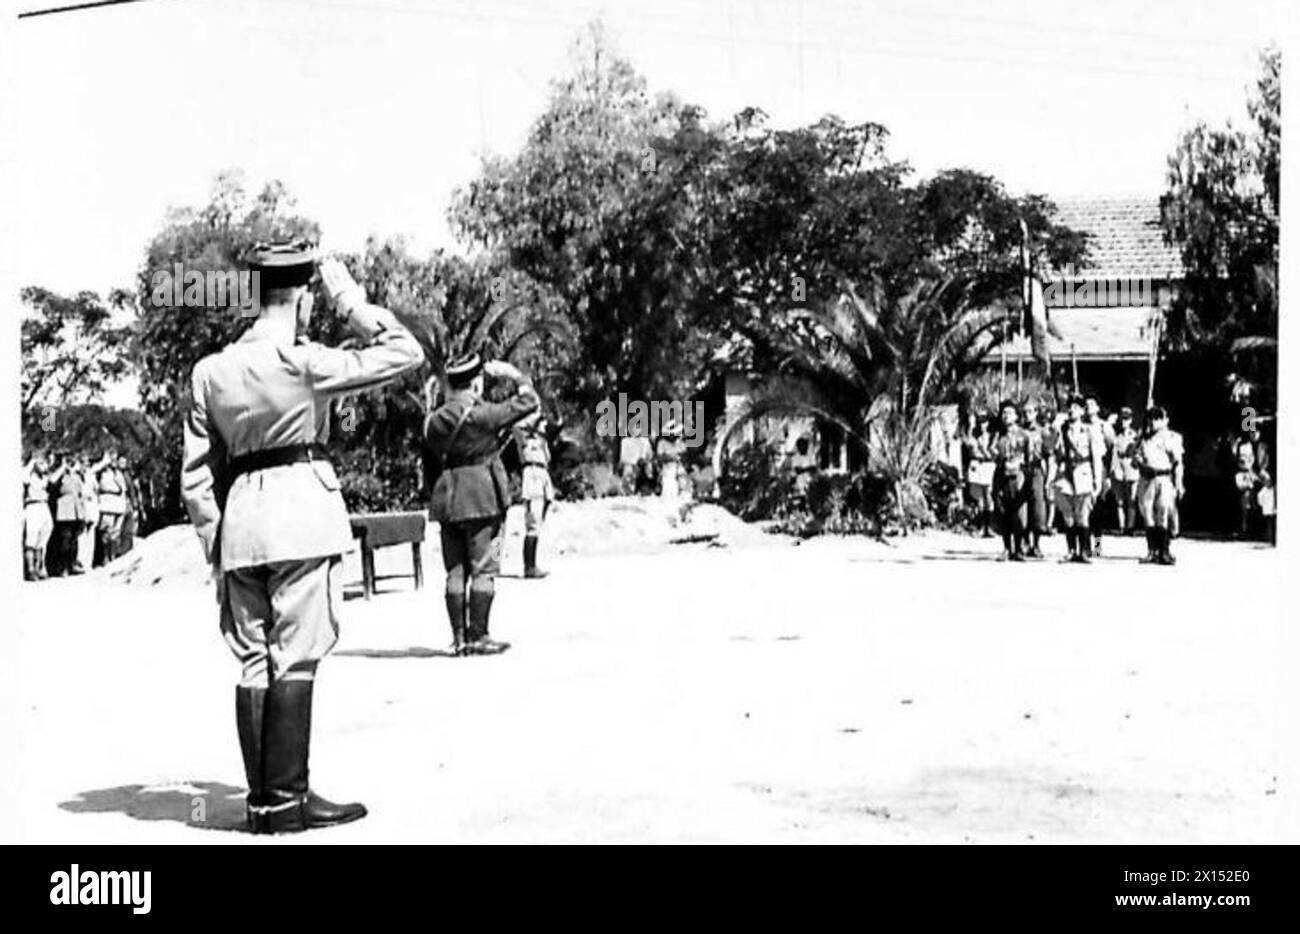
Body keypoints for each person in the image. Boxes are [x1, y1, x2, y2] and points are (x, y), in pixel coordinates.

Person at [181, 241, 423, 834]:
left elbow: (195, 475)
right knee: (297, 657)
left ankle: (262, 803)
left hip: (240, 521)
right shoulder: (305, 359)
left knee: (253, 662)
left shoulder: (210, 371)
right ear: (303, 296)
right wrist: (352, 301)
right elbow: (405, 351)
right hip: (301, 514)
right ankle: (289, 800)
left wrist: (217, 542)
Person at [426, 353, 540, 656]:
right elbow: (529, 403)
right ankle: (479, 635)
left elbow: (429, 461)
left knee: (455, 571)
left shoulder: (433, 422)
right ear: (476, 383)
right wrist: (516, 375)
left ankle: (459, 639)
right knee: (483, 568)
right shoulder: (484, 415)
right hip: (482, 499)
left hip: (448, 500)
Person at [1053, 395, 1106, 563]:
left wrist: (1103, 478)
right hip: (1070, 474)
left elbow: (1106, 452)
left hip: (1091, 473)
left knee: (1096, 516)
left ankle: (1096, 549)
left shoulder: (1102, 427)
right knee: (1072, 515)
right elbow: (1057, 453)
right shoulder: (1063, 429)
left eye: (1077, 407)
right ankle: (1074, 550)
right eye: (1070, 407)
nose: (1071, 410)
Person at [1134, 406, 1184, 565]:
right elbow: (1135, 458)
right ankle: (1152, 550)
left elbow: (1178, 463)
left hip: (1164, 477)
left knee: (1163, 512)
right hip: (1147, 478)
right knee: (1148, 514)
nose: (1154, 422)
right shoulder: (1143, 437)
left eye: (1157, 418)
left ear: (1164, 420)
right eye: (1151, 418)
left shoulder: (1171, 438)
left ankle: (1164, 550)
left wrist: (1179, 483)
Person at [515, 412, 553, 578]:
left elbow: (557, 423)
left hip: (543, 474)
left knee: (539, 520)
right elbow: (516, 427)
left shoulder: (542, 441)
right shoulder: (524, 440)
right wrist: (534, 421)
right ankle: (529, 567)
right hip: (532, 474)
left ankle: (532, 564)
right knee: (532, 523)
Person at [991, 399, 1031, 561]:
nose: (1006, 416)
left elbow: (1030, 457)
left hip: (1018, 475)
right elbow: (991, 450)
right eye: (1004, 413)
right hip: (1002, 474)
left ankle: (1094, 549)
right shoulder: (998, 435)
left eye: (1010, 413)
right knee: (1003, 512)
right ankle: (1007, 548)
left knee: (1020, 514)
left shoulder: (1024, 435)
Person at [1020, 399, 1052, 558]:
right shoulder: (1019, 431)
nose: (1027, 415)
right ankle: (1025, 542)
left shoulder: (1043, 431)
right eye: (1024, 412)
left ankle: (1094, 549)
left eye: (1030, 412)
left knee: (1095, 515)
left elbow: (1049, 454)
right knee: (1023, 506)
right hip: (1022, 469)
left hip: (1037, 469)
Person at [1084, 397, 1115, 555]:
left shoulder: (1104, 427)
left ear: (1097, 408)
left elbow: (1111, 450)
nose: (1088, 407)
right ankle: (1084, 545)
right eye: (1086, 405)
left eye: (1091, 404)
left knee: (1097, 510)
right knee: (1084, 509)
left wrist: (1109, 475)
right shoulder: (1081, 425)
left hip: (1100, 469)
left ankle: (1097, 545)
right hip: (1083, 469)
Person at [48, 455, 85, 577]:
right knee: (64, 539)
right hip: (64, 509)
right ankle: (62, 567)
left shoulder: (76, 474)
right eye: (69, 460)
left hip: (77, 509)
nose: (71, 463)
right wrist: (63, 467)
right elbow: (52, 480)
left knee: (74, 539)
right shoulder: (59, 473)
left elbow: (81, 490)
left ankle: (72, 564)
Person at [1231, 427, 1271, 539]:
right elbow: (1240, 462)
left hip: (1261, 477)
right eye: (1252, 432)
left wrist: (1261, 475)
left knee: (1264, 498)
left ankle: (1263, 530)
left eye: (1256, 432)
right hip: (1247, 475)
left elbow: (1266, 463)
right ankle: (1245, 529)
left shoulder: (1264, 447)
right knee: (1246, 499)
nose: (1254, 435)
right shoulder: (1243, 446)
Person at [962, 412, 996, 537]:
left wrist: (983, 448)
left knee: (989, 497)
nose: (982, 425)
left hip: (988, 465)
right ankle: (981, 526)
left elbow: (991, 454)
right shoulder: (974, 436)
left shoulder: (992, 436)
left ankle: (989, 526)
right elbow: (970, 447)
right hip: (977, 465)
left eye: (985, 421)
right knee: (979, 498)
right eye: (980, 422)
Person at [1110, 407, 1139, 535]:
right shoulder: (1116, 436)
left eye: (1126, 419)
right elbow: (1113, 454)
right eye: (1122, 419)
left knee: (1132, 499)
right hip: (1119, 469)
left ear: (1131, 420)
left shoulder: (1135, 435)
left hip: (1132, 469)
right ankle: (1122, 526)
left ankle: (1130, 526)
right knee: (1120, 501)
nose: (1124, 422)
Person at [22, 457, 53, 580]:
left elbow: (52, 478)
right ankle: (30, 569)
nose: (43, 466)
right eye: (40, 463)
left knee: (43, 538)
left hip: (44, 506)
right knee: (31, 539)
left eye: (44, 463)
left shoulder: (44, 478)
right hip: (32, 506)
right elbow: (23, 477)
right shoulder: (29, 476)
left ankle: (40, 567)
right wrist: (31, 463)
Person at [95, 454, 129, 565]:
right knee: (106, 531)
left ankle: (113, 555)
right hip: (107, 502)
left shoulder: (119, 473)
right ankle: (105, 557)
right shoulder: (103, 473)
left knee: (116, 532)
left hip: (118, 504)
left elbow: (124, 490)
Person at [619, 428, 654, 495]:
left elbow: (650, 455)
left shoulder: (645, 441)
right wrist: (635, 463)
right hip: (631, 465)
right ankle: (628, 491)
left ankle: (647, 487)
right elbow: (623, 458)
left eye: (638, 427)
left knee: (649, 468)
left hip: (643, 465)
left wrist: (644, 461)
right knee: (628, 469)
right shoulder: (625, 442)